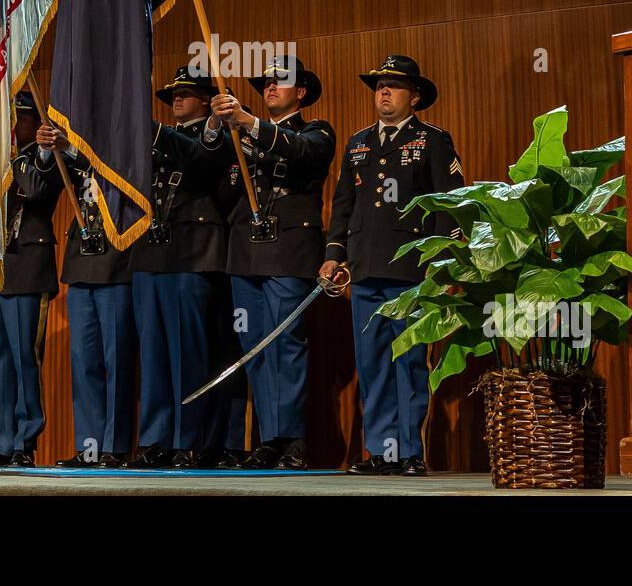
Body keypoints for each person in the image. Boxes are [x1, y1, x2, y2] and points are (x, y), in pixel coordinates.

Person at [320, 55, 464, 476]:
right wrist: (333, 256)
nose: (384, 91)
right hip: (364, 270)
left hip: (411, 273)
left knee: (410, 362)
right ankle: (382, 452)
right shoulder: (358, 142)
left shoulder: (433, 140)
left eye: (395, 85)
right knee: (373, 363)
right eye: (380, 85)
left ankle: (410, 453)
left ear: (415, 97)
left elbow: (449, 206)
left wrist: (439, 265)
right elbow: (343, 204)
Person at [202, 55, 335, 470]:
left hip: (289, 253)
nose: (270, 87)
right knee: (254, 348)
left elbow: (304, 155)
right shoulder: (241, 139)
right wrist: (214, 127)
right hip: (245, 253)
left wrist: (247, 121)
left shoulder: (317, 131)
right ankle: (268, 438)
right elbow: (215, 189)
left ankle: (292, 438)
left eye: (281, 82)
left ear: (301, 92)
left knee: (286, 346)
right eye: (266, 83)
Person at [126, 65, 230, 469]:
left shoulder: (215, 134)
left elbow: (204, 164)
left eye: (186, 93)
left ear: (206, 99)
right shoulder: (151, 140)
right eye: (173, 94)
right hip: (153, 251)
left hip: (193, 250)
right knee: (153, 352)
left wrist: (151, 129)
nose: (177, 99)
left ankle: (190, 439)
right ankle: (155, 438)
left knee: (189, 351)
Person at [0, 92, 63, 468]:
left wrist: (19, 155)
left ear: (33, 122)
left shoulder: (42, 158)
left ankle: (25, 442)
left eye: (18, 118)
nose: (10, 125)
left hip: (27, 266)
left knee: (25, 356)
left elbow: (38, 189)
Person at [36, 120, 136, 468]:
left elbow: (113, 167)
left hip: (116, 262)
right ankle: (90, 447)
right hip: (81, 264)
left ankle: (115, 447)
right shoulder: (80, 151)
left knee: (117, 360)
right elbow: (46, 181)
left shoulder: (130, 146)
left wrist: (71, 148)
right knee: (85, 362)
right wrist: (54, 148)